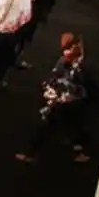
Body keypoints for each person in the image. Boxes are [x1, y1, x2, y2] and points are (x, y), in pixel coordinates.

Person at [16, 34, 89, 164]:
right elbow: (54, 77)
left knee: (64, 127)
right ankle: (31, 153)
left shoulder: (79, 68)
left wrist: (69, 94)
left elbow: (81, 87)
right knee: (54, 126)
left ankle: (78, 151)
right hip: (60, 100)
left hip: (69, 102)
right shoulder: (63, 62)